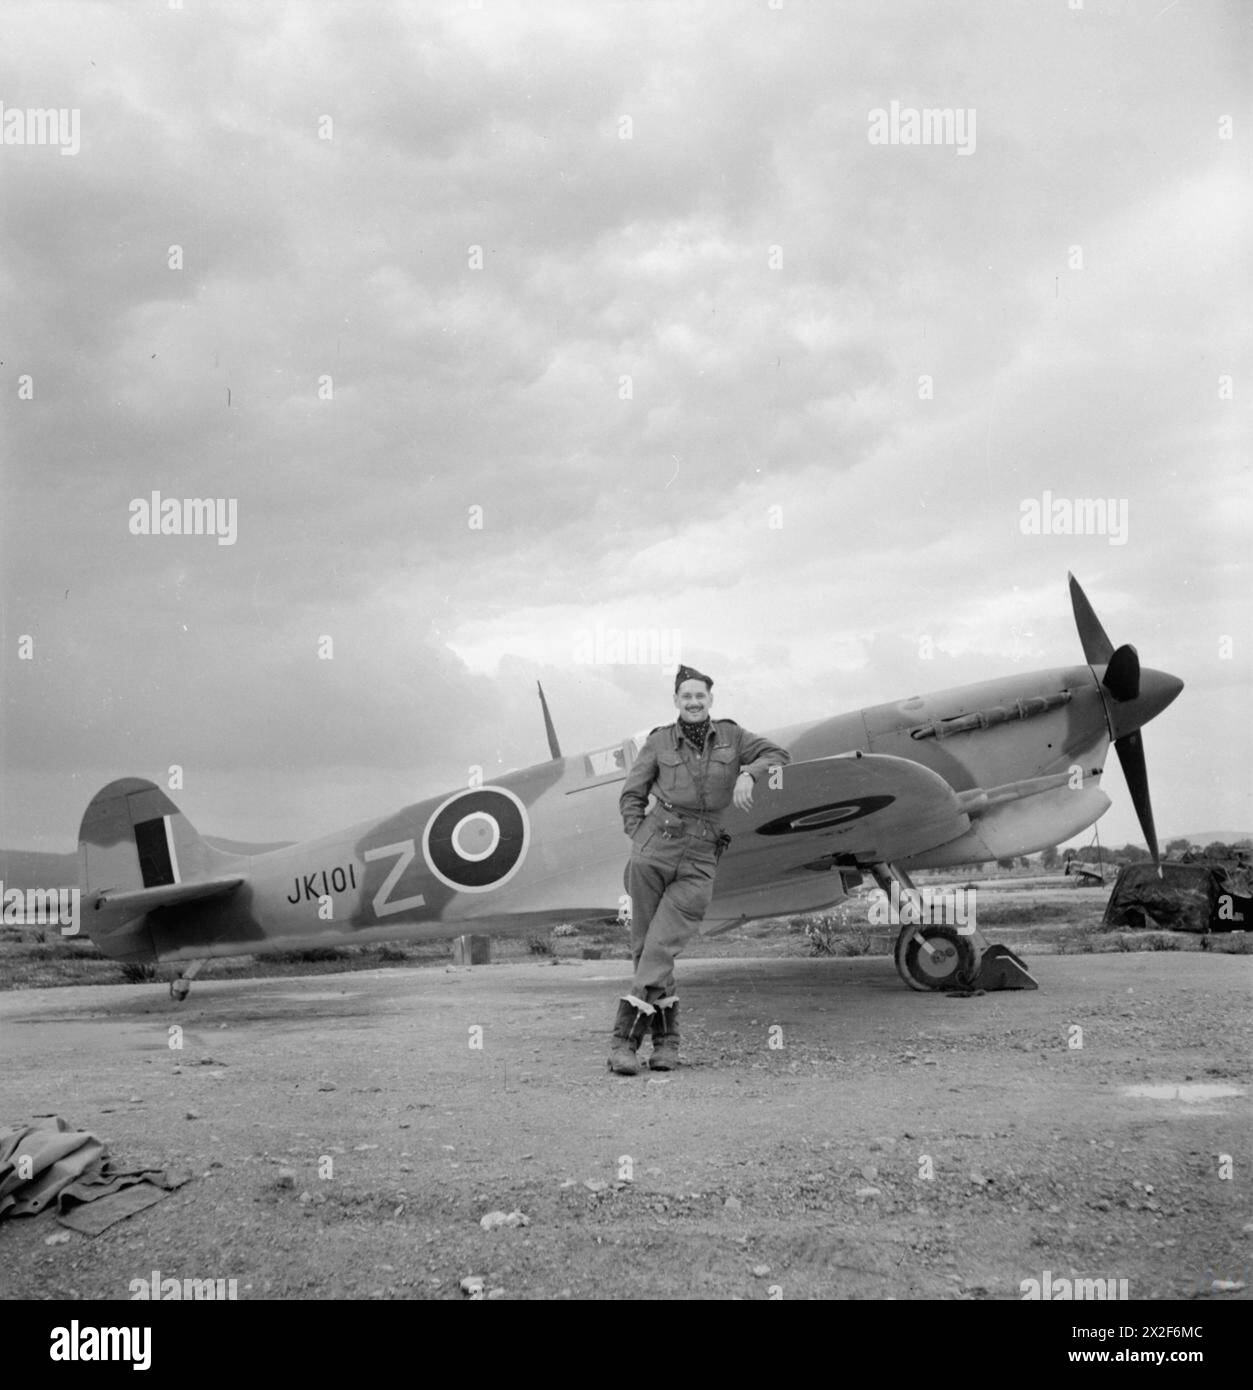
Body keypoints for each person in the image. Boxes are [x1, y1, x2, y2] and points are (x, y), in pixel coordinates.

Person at [609, 664, 791, 1074]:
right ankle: (666, 1046)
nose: (693, 702)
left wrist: (748, 772)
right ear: (676, 701)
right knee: (646, 948)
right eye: (686, 696)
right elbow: (631, 794)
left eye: (700, 696)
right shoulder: (658, 742)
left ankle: (624, 1042)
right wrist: (640, 838)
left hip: (701, 855)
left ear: (711, 700)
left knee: (660, 947)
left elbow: (779, 754)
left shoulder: (734, 736)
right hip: (655, 848)